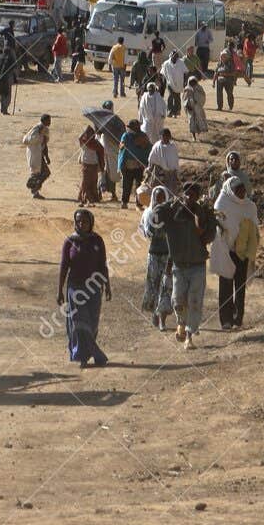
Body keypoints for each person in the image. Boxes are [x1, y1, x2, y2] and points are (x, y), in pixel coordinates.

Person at [157, 184, 214, 346]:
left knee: (194, 301)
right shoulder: (172, 211)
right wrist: (171, 204)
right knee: (178, 300)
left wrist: (200, 222)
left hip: (197, 265)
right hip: (179, 266)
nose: (189, 198)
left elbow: (210, 236)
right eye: (186, 194)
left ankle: (189, 335)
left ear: (197, 197)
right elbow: (156, 215)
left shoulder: (202, 213)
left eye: (193, 195)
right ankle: (181, 323)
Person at [58, 209, 111, 368]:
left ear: (91, 223)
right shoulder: (70, 242)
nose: (82, 224)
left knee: (92, 324)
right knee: (79, 322)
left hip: (94, 288)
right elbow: (64, 267)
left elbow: (103, 265)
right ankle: (84, 356)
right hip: (75, 288)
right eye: (79, 221)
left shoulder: (97, 240)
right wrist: (59, 290)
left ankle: (88, 353)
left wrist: (108, 286)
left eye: (85, 221)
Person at [212, 177, 260, 331]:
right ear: (231, 191)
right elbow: (219, 225)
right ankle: (226, 320)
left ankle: (238, 319)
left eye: (243, 191)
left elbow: (255, 227)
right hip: (226, 250)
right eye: (238, 191)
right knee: (225, 285)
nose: (241, 194)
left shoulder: (249, 206)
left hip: (242, 253)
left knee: (240, 287)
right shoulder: (222, 203)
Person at [140, 185, 175, 329]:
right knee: (153, 284)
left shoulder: (170, 213)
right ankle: (155, 313)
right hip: (154, 254)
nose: (159, 200)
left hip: (167, 255)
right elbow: (145, 231)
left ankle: (162, 319)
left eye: (162, 197)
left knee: (166, 286)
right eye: (157, 197)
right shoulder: (149, 213)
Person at [118, 119, 151, 208]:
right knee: (127, 184)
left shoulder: (143, 136)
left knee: (139, 185)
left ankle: (139, 204)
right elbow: (122, 149)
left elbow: (148, 148)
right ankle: (124, 202)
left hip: (139, 165)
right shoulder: (126, 136)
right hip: (128, 165)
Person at [98, 103, 123, 203]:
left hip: (111, 149)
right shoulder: (109, 120)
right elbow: (98, 132)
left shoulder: (114, 120)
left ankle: (112, 194)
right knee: (103, 171)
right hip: (105, 148)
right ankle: (101, 193)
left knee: (110, 172)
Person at [21, 113, 51, 198]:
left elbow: (44, 144)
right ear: (44, 121)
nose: (50, 122)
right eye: (48, 120)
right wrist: (39, 134)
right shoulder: (37, 129)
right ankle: (34, 190)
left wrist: (46, 156)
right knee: (36, 172)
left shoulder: (45, 129)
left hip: (39, 153)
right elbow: (27, 140)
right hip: (34, 152)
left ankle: (35, 188)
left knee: (45, 172)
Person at [77, 126, 104, 205]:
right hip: (86, 164)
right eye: (88, 133)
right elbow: (79, 138)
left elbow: (101, 150)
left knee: (93, 181)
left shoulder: (96, 143)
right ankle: (84, 198)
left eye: (91, 133)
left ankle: (93, 198)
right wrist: (84, 132)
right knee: (85, 182)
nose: (90, 135)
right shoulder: (84, 142)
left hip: (94, 164)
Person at [0, 44, 20, 115]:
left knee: (2, 94)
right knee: (7, 95)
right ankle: (4, 109)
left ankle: (2, 108)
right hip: (7, 78)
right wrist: (16, 77)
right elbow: (14, 69)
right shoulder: (10, 58)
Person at [161, 48, 186, 117]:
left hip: (179, 83)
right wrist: (163, 83)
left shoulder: (181, 62)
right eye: (173, 56)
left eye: (176, 56)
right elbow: (163, 74)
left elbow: (185, 72)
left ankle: (176, 111)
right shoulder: (166, 63)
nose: (175, 58)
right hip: (170, 83)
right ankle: (170, 111)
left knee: (177, 97)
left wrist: (185, 82)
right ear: (171, 56)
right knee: (170, 96)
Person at [212, 42, 237, 112]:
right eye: (222, 56)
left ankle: (230, 106)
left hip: (228, 80)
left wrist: (226, 74)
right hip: (219, 80)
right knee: (219, 94)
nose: (223, 57)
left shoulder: (231, 63)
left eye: (224, 56)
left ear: (227, 56)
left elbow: (234, 73)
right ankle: (219, 106)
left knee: (229, 94)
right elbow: (216, 72)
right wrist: (213, 81)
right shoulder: (219, 63)